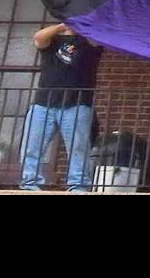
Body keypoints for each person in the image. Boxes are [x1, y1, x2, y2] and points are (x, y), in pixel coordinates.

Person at [19, 23, 103, 192]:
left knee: (78, 147)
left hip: (77, 103)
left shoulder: (89, 42)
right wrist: (62, 26)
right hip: (43, 103)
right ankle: (30, 183)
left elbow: (97, 40)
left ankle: (78, 186)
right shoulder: (52, 40)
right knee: (32, 146)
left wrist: (83, 24)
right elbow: (38, 37)